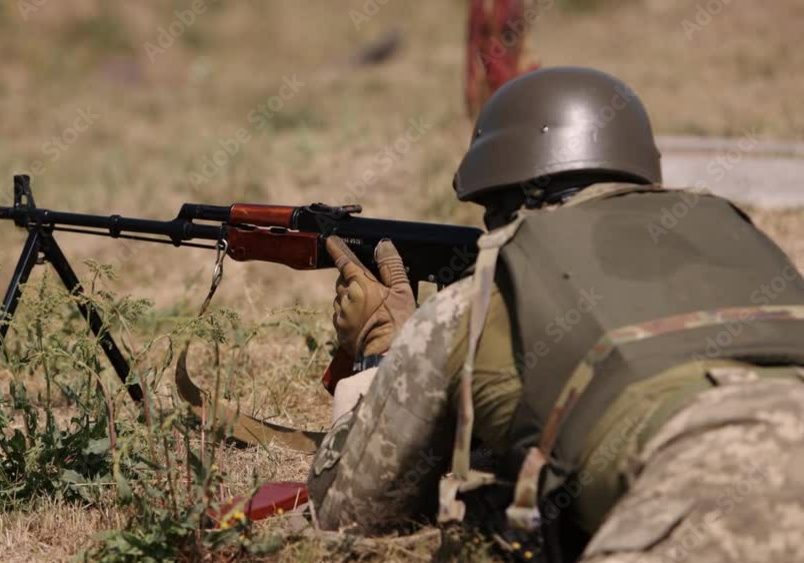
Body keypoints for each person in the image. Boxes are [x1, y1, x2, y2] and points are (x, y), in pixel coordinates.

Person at [307, 66, 804, 562]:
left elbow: (351, 515)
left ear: (513, 199)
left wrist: (379, 355)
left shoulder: (478, 299)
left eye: (491, 212)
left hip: (706, 499)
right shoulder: (741, 245)